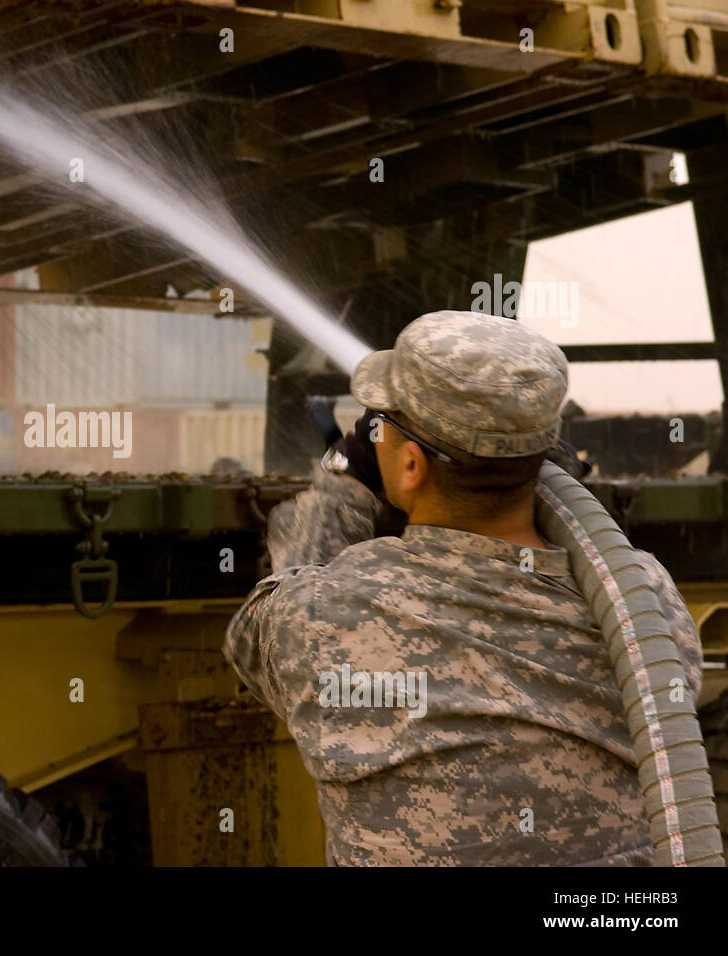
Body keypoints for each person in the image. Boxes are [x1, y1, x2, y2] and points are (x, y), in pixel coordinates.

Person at [223, 310, 702, 865]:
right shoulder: (646, 600)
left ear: (409, 465)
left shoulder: (323, 614)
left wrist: (343, 486)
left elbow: (264, 623)